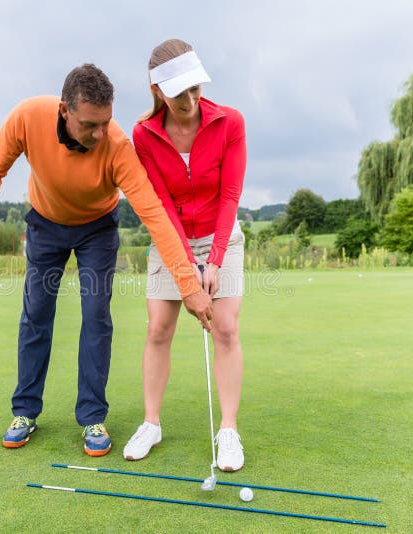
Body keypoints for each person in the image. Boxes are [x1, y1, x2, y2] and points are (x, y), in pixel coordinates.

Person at [0, 64, 212, 457]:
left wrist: (189, 287)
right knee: (36, 313)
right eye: (89, 125)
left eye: (106, 122)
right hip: (45, 224)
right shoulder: (28, 116)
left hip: (97, 229)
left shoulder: (116, 145)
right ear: (64, 111)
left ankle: (92, 416)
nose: (100, 134)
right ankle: (25, 411)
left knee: (96, 314)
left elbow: (155, 216)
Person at [122, 40, 247, 471]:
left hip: (221, 235)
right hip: (170, 238)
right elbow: (157, 203)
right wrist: (186, 268)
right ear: (157, 89)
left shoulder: (230, 122)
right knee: (158, 328)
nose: (191, 100)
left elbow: (230, 194)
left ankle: (228, 431)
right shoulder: (143, 135)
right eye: (179, 93)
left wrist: (212, 261)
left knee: (225, 329)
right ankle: (151, 423)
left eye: (196, 88)